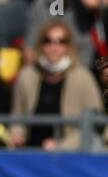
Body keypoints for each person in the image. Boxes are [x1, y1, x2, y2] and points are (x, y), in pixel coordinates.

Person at [9, 18, 103, 150]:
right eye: (48, 41)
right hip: (31, 154)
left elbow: (95, 125)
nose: (54, 47)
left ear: (68, 46)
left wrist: (61, 146)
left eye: (61, 42)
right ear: (41, 45)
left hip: (70, 155)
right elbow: (17, 116)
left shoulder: (83, 78)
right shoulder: (27, 76)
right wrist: (17, 134)